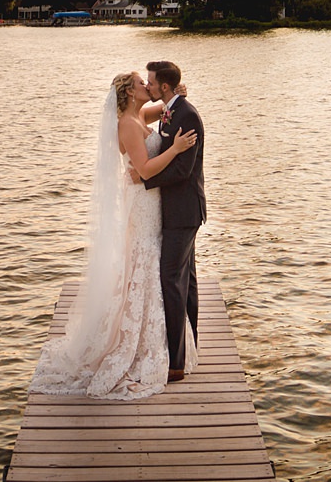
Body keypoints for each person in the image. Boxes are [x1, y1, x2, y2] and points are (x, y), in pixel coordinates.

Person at [28, 70, 197, 399]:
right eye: (141, 83)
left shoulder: (138, 115)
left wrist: (174, 93)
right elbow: (144, 170)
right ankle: (136, 341)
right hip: (143, 201)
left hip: (150, 200)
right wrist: (176, 149)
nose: (146, 86)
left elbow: (162, 109)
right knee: (145, 257)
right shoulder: (127, 124)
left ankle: (158, 334)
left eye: (148, 82)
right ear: (130, 92)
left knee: (148, 259)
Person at [142, 59, 205, 382]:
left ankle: (176, 364)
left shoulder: (186, 115)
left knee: (171, 280)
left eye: (151, 82)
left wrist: (145, 180)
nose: (148, 85)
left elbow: (183, 170)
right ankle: (189, 344)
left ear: (164, 86)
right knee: (186, 281)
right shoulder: (171, 110)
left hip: (183, 212)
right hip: (175, 210)